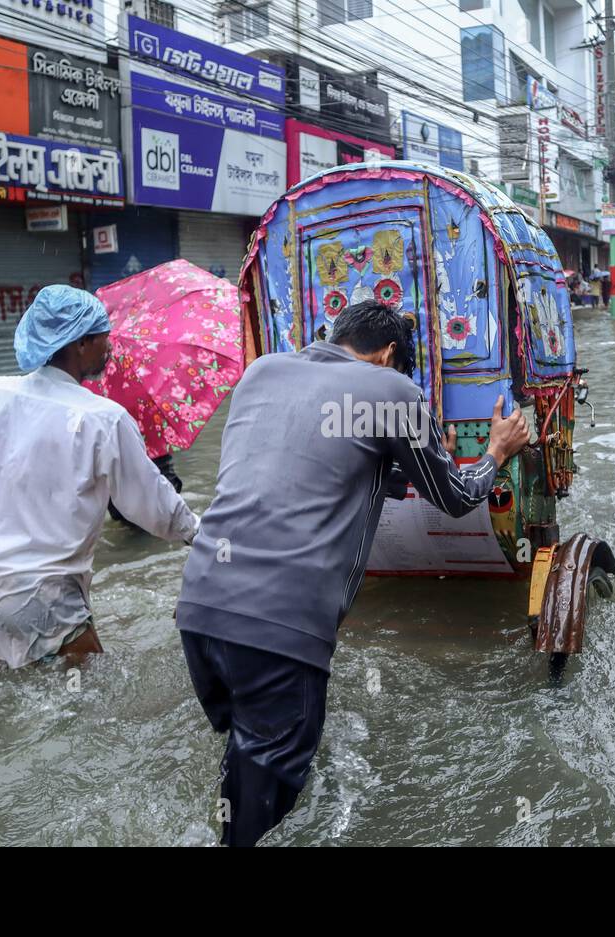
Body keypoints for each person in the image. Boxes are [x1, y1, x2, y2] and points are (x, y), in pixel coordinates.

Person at [176, 300, 530, 846]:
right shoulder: (392, 390)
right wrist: (496, 452)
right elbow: (454, 498)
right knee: (262, 820)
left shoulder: (261, 370)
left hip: (200, 608)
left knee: (246, 764)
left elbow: (298, 472)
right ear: (388, 355)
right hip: (280, 627)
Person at [0, 285, 199, 674]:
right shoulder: (105, 417)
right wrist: (204, 539)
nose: (110, 347)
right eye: (104, 337)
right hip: (47, 598)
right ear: (82, 343)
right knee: (93, 712)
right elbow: (152, 502)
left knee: (8, 709)